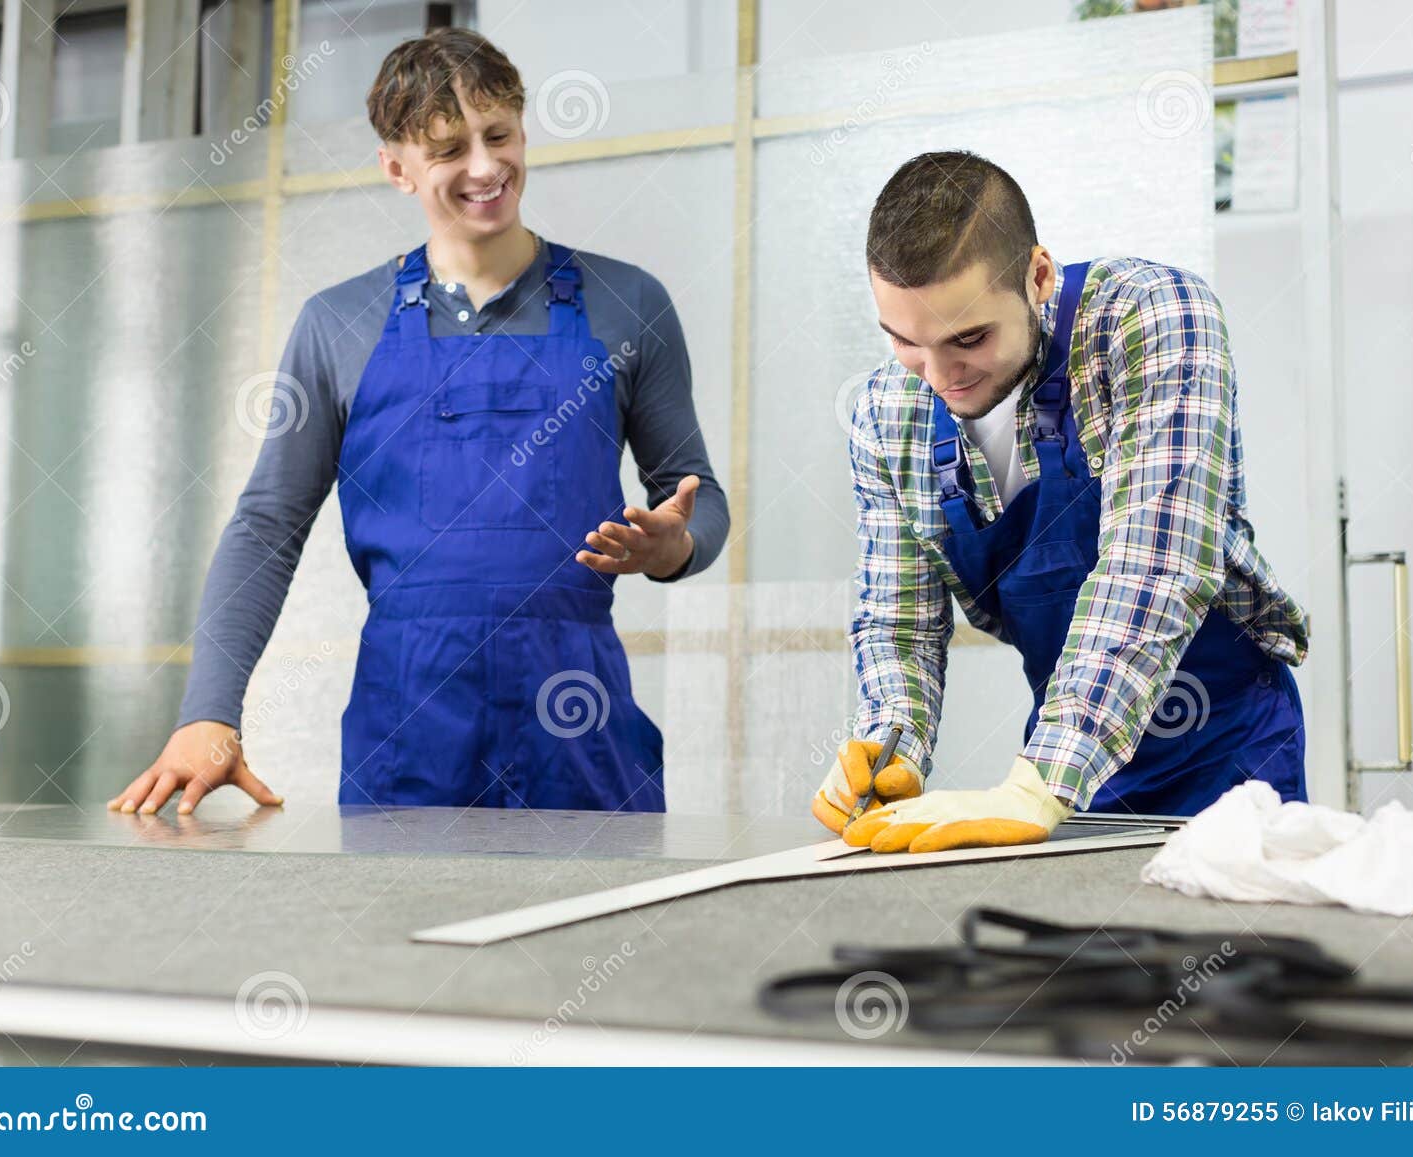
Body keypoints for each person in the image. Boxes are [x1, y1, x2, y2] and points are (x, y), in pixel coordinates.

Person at [111, 28, 727, 816]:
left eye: (499, 134)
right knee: (398, 936)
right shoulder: (338, 323)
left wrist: (676, 546)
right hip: (408, 735)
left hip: (582, 727)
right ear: (396, 168)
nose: (485, 167)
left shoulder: (627, 304)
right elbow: (268, 524)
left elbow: (698, 494)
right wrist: (209, 711)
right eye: (447, 149)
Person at [815, 150, 1307, 853]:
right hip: (1068, 771)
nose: (939, 376)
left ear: (1037, 276)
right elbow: (900, 621)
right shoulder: (887, 413)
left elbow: (1156, 564)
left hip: (1228, 758)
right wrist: (887, 738)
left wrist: (1038, 783)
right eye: (904, 342)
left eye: (969, 338)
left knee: (1236, 956)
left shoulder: (1149, 317)